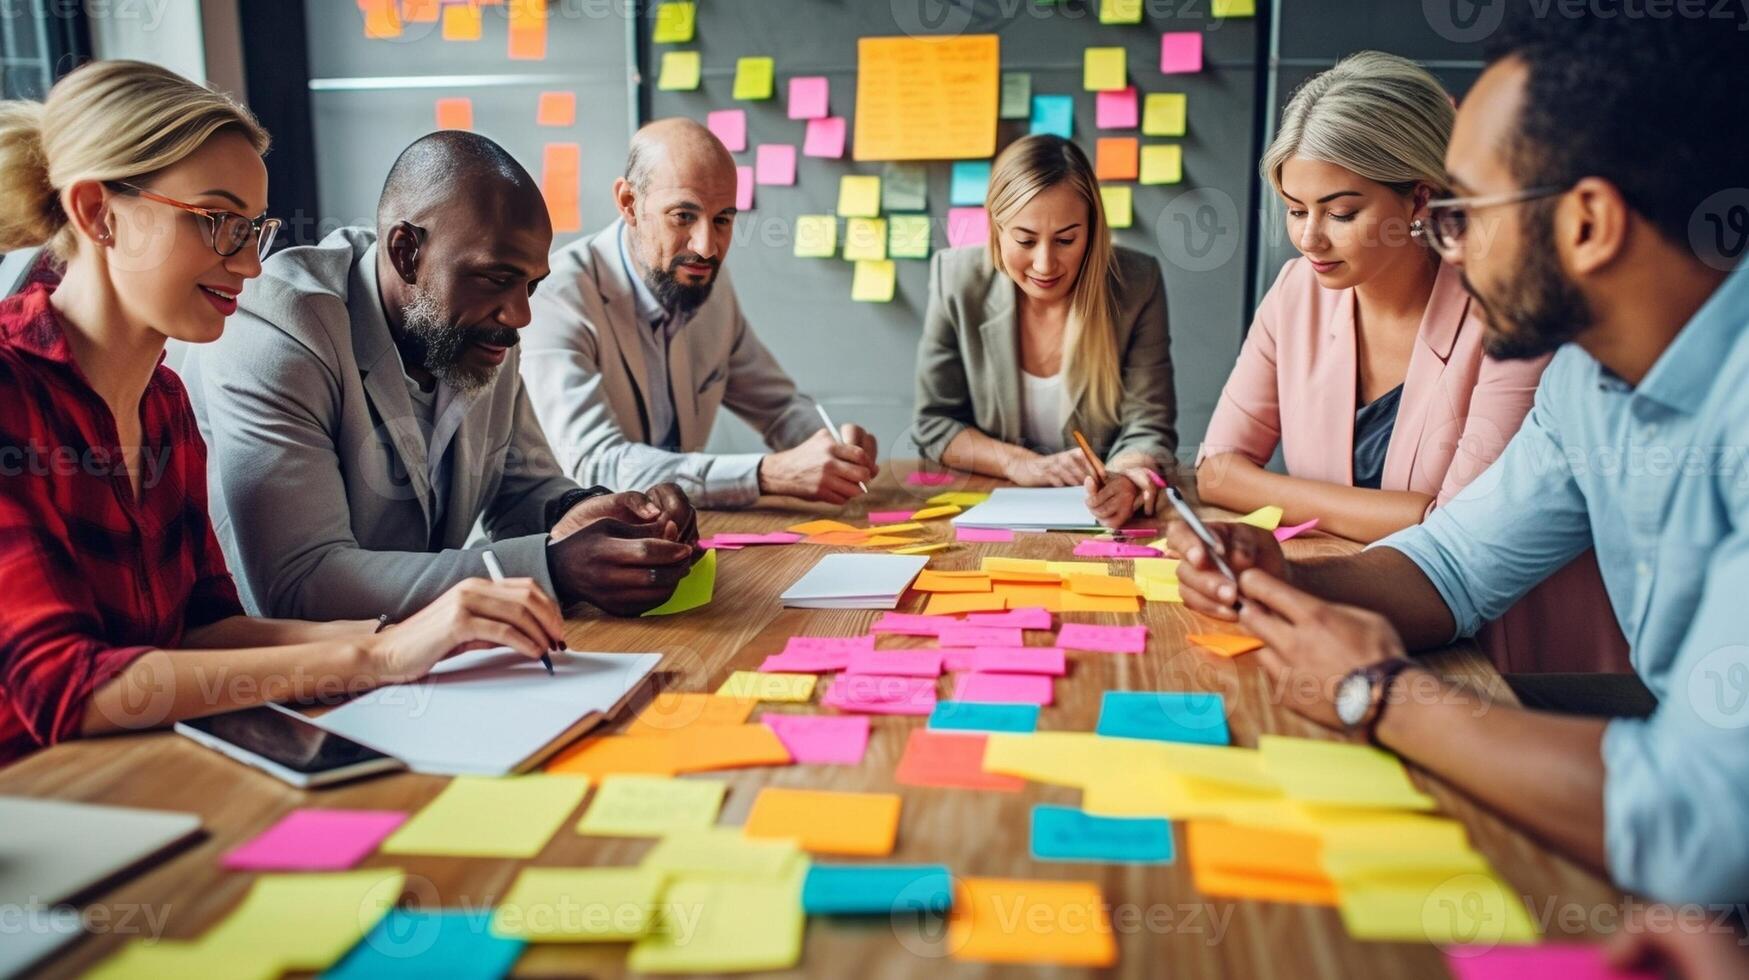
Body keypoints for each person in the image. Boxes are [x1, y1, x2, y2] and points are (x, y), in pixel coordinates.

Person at [1169, 10, 1749, 904]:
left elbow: (1699, 820)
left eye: (1463, 212)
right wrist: (1287, 575)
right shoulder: (1587, 382)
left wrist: (1379, 694)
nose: (1446, 243)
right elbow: (1453, 561)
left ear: (1588, 223)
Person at [0, 62, 563, 764]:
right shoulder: (11, 394)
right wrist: (380, 654)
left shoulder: (163, 402)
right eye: (216, 224)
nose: (249, 266)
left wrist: (444, 630)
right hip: (40, 803)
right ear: (96, 213)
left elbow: (206, 630)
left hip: (142, 774)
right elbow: (66, 686)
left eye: (252, 230)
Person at [1197, 51, 1625, 677]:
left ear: (1420, 199)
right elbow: (1216, 473)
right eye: (1295, 209)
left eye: (1341, 213)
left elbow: (1455, 533)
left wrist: (1272, 498)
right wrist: (1389, 514)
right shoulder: (1297, 292)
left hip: (1509, 667)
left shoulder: (1510, 310)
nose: (1310, 237)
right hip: (1362, 629)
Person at [185, 131, 700, 622]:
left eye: (530, 285)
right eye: (496, 279)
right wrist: (554, 569)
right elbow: (301, 585)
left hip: (425, 659)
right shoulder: (278, 326)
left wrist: (594, 512)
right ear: (405, 253)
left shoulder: (475, 327)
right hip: (293, 683)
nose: (520, 315)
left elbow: (522, 492)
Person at [521, 118, 877, 509]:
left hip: (684, 531)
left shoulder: (704, 284)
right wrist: (765, 475)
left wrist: (833, 448)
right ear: (629, 204)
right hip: (580, 547)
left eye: (722, 219)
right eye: (683, 216)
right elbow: (595, 466)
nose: (707, 247)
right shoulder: (557, 299)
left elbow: (778, 408)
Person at [909, 134, 1177, 528]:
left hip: (1102, 520)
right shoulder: (955, 279)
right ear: (996, 228)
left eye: (1067, 239)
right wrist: (1019, 464)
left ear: (1092, 230)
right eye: (1025, 240)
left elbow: (1148, 425)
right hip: (987, 513)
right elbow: (934, 424)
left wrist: (1127, 476)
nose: (1045, 263)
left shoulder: (1137, 283)